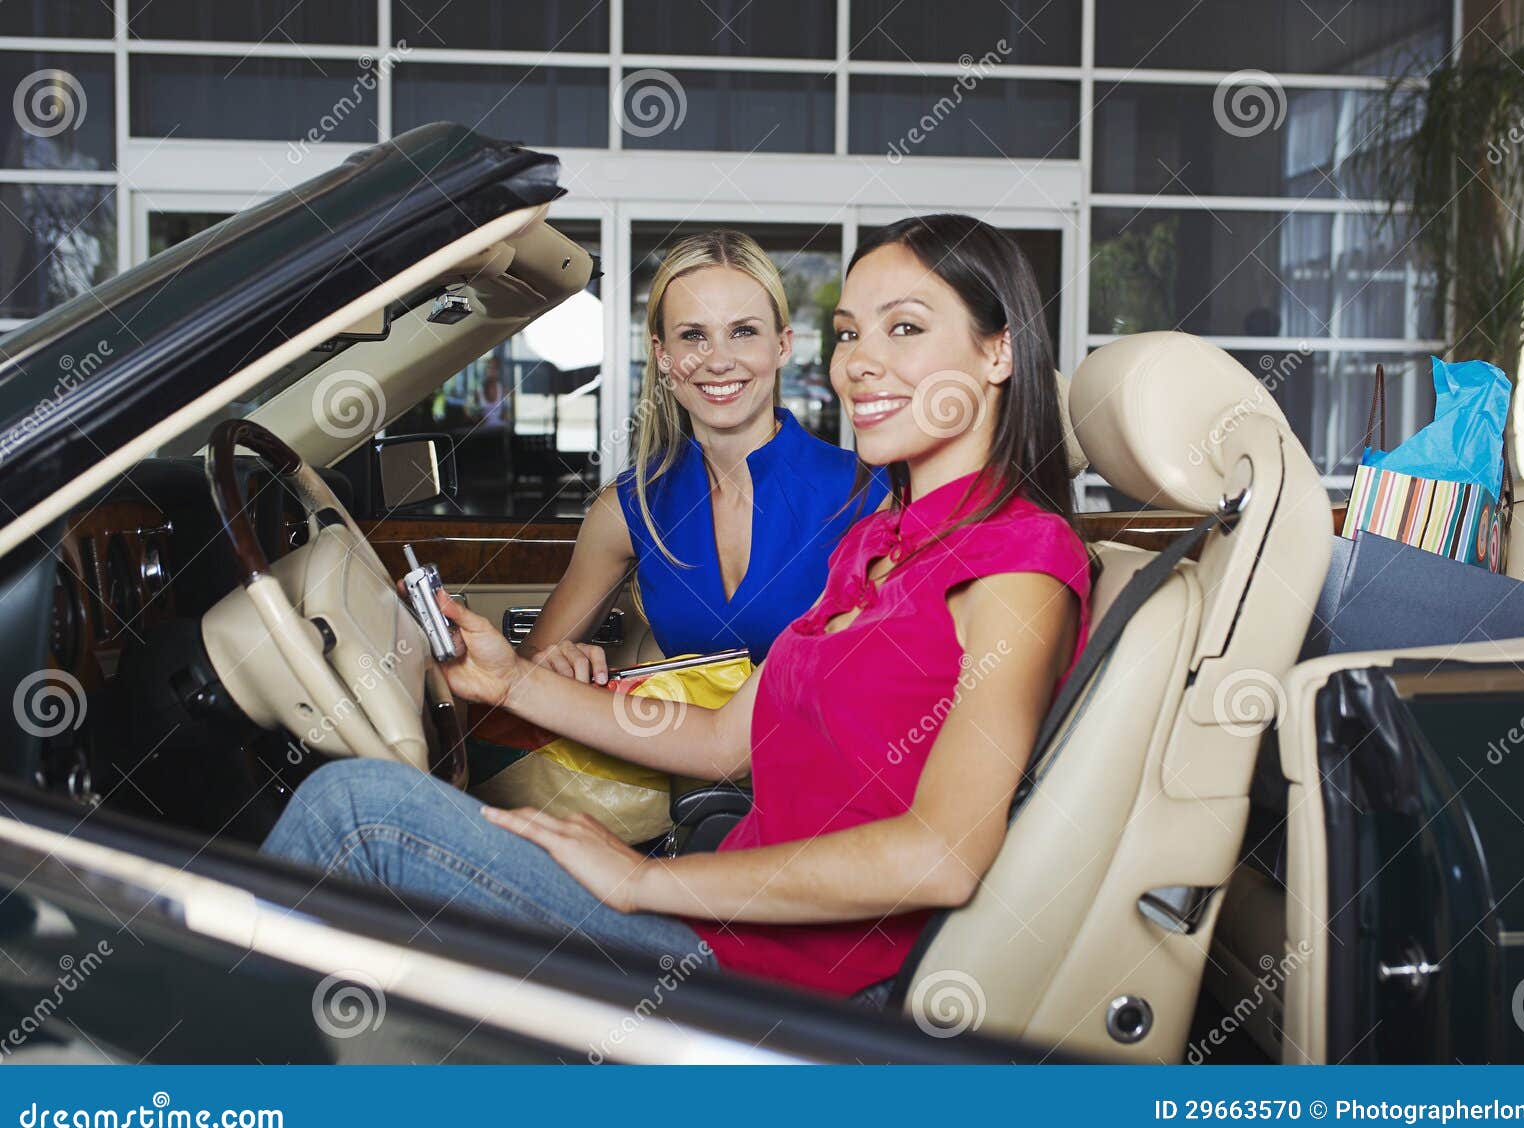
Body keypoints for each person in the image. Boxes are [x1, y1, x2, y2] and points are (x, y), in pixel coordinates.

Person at [264, 214, 1093, 1002]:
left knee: (353, 812)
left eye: (905, 328)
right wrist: (512, 680)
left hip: (781, 980)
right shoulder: (879, 545)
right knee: (368, 806)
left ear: (999, 352)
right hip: (713, 922)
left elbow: (941, 854)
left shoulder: (1020, 560)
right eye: (850, 333)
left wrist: (645, 879)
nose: (861, 363)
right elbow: (717, 740)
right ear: (661, 356)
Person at [519, 230, 887, 681]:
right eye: (694, 335)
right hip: (675, 748)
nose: (718, 360)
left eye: (743, 332)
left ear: (783, 345)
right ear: (663, 354)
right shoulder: (631, 506)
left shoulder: (872, 493)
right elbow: (529, 668)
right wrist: (557, 662)